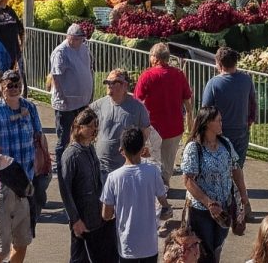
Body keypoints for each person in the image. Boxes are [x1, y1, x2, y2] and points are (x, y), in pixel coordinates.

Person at [0, 70, 49, 262]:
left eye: (17, 85)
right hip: (2, 185)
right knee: (1, 250)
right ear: (1, 87)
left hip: (24, 185)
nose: (14, 89)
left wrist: (44, 160)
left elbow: (38, 135)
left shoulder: (30, 108)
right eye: (9, 85)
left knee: (21, 244)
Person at [181, 107, 249, 263]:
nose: (221, 123)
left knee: (217, 247)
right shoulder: (194, 148)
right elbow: (188, 180)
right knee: (204, 252)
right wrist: (209, 203)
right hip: (201, 211)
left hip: (224, 207)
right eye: (218, 120)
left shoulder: (225, 143)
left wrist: (243, 196)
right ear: (207, 124)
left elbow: (235, 168)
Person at [101, 127, 169, 263]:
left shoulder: (113, 178)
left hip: (127, 245)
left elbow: (106, 215)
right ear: (143, 149)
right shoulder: (153, 172)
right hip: (149, 245)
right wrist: (166, 210)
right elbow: (164, 202)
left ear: (122, 150)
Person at [58, 108, 117, 263]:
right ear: (79, 127)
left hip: (98, 216)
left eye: (95, 126)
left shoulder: (90, 148)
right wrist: (75, 219)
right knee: (80, 259)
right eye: (90, 126)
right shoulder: (70, 155)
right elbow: (65, 190)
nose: (94, 129)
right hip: (82, 221)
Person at [133, 43, 191, 187]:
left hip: (152, 127)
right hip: (174, 126)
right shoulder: (178, 74)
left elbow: (137, 101)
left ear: (155, 58)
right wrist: (190, 116)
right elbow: (187, 99)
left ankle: (152, 188)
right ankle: (164, 186)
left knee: (150, 160)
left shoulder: (147, 75)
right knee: (167, 162)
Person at [199, 47, 255, 171]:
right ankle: (236, 189)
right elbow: (253, 103)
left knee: (221, 166)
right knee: (237, 166)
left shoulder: (213, 83)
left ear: (219, 64)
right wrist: (249, 120)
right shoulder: (246, 80)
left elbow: (205, 110)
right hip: (241, 128)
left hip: (219, 131)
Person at [92, 69, 151, 176]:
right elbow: (82, 124)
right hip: (101, 166)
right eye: (107, 82)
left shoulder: (138, 108)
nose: (110, 85)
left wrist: (140, 149)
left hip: (125, 168)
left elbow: (145, 133)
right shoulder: (98, 105)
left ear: (125, 85)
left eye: (115, 82)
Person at [46, 24, 93, 157]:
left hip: (82, 101)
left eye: (81, 39)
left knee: (82, 133)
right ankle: (61, 162)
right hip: (66, 104)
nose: (80, 42)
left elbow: (88, 68)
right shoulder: (60, 52)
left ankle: (78, 159)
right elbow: (56, 76)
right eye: (77, 39)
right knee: (64, 137)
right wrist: (62, 97)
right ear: (69, 38)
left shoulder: (83, 48)